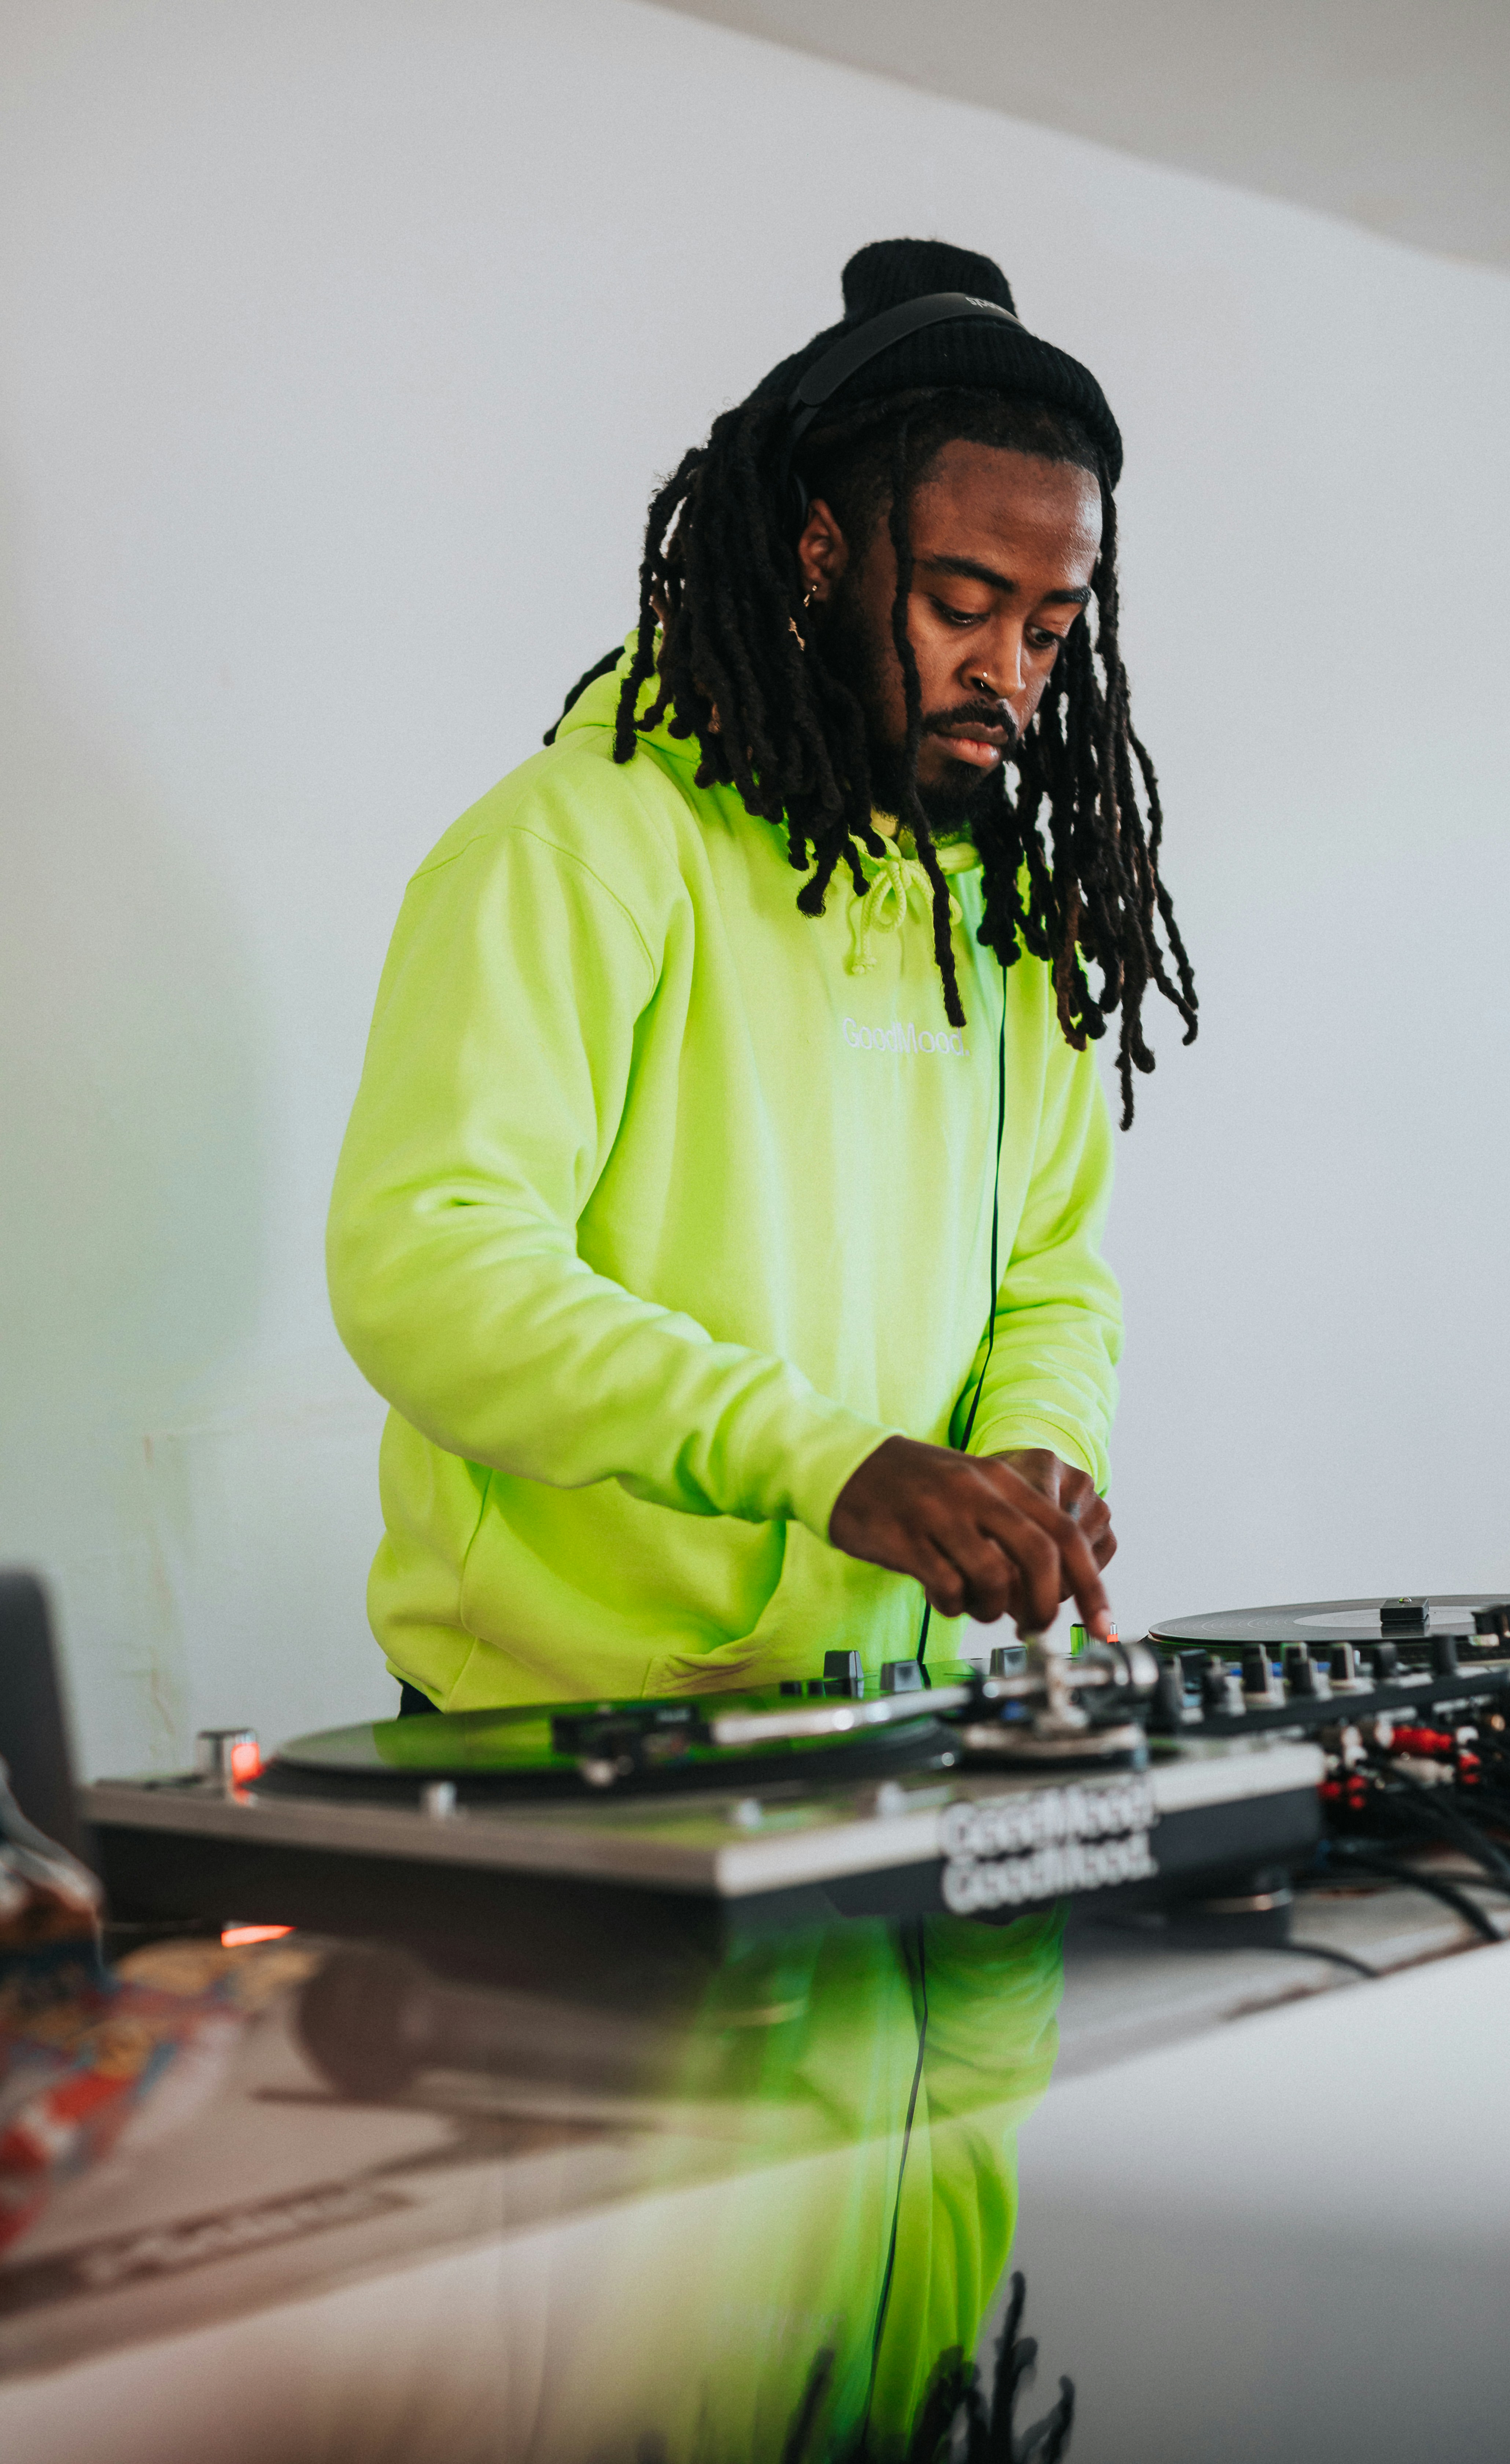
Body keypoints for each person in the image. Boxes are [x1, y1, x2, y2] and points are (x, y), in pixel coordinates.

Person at [327, 237, 1196, 1714]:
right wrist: (827, 1466)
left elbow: (1054, 1271)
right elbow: (434, 1265)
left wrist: (1042, 1447)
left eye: (1048, 629)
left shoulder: (1007, 919)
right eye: (962, 603)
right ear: (819, 553)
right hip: (558, 1756)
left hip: (880, 1721)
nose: (1010, 673)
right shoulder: (584, 842)